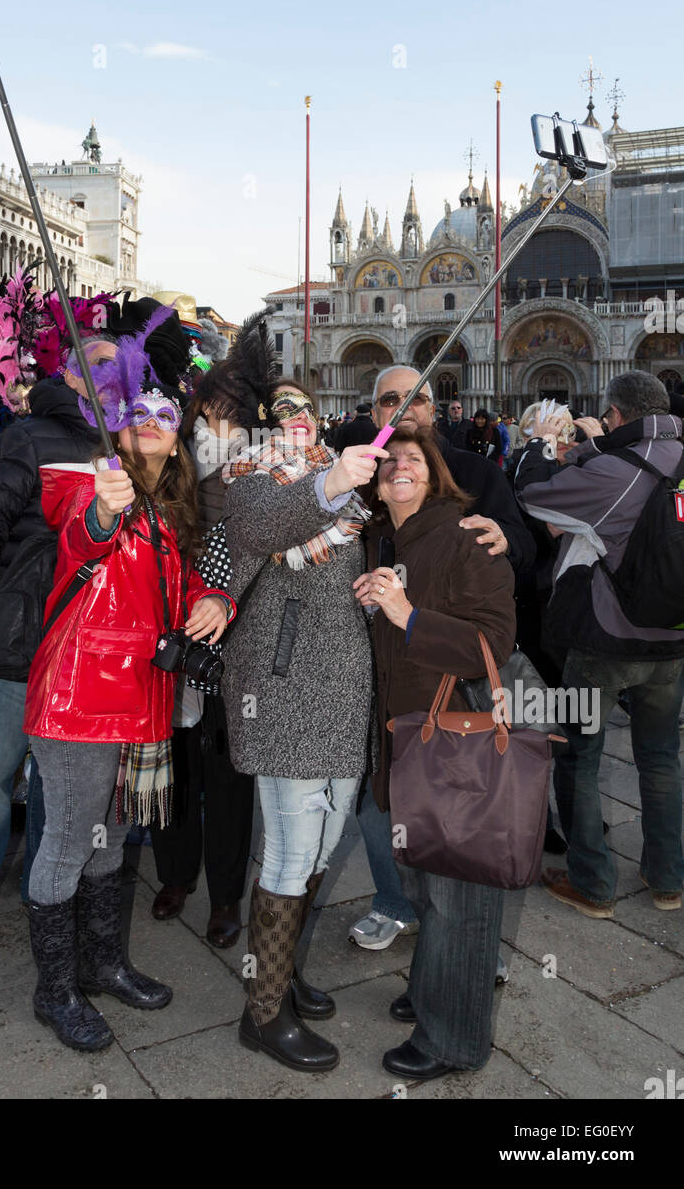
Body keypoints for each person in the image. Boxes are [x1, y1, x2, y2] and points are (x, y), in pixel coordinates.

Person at [23, 349, 236, 1051]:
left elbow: (191, 581)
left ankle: (101, 962)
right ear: (116, 435)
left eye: (164, 414)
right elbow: (80, 534)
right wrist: (106, 513)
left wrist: (212, 595)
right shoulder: (93, 487)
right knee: (64, 843)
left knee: (110, 838)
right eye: (136, 414)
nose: (148, 421)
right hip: (80, 696)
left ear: (178, 436)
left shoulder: (180, 508)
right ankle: (54, 992)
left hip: (145, 699)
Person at [220, 378, 384, 1071]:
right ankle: (262, 1016)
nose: (294, 417)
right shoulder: (251, 478)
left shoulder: (339, 478)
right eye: (278, 409)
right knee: (289, 852)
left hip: (344, 687)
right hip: (283, 688)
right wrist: (326, 487)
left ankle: (278, 970)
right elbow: (261, 530)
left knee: (321, 847)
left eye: (302, 406)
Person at [0, 334, 113, 979]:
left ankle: (48, 900)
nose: (110, 376)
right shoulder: (29, 437)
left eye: (120, 367)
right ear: (68, 373)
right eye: (96, 364)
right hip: (18, 643)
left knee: (59, 790)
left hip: (85, 655)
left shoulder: (129, 441)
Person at [348, 366, 533, 950]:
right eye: (391, 400)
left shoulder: (466, 508)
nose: (404, 410)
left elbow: (495, 622)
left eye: (418, 399)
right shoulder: (371, 520)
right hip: (387, 718)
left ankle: (464, 961)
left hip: (446, 722)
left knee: (449, 861)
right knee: (381, 819)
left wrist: (502, 536)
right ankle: (406, 913)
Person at [355, 424, 516, 1079]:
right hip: (405, 740)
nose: (400, 467)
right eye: (389, 459)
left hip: (454, 739)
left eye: (414, 460)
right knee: (426, 886)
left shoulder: (463, 534)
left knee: (458, 898)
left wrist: (406, 615)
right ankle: (434, 993)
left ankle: (453, 1039)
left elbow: (492, 644)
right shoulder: (379, 541)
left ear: (436, 473)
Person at [515, 371, 684, 917]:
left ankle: (593, 883)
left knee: (581, 759)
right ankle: (668, 879)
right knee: (660, 760)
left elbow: (535, 495)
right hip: (674, 642)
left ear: (615, 416)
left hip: (608, 641)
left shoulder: (616, 469)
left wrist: (543, 442)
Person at [146, 304, 278, 947]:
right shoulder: (171, 474)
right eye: (209, 416)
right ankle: (175, 875)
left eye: (231, 418)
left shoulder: (265, 475)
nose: (217, 428)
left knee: (228, 776)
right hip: (174, 638)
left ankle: (226, 896)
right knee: (174, 762)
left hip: (240, 646)